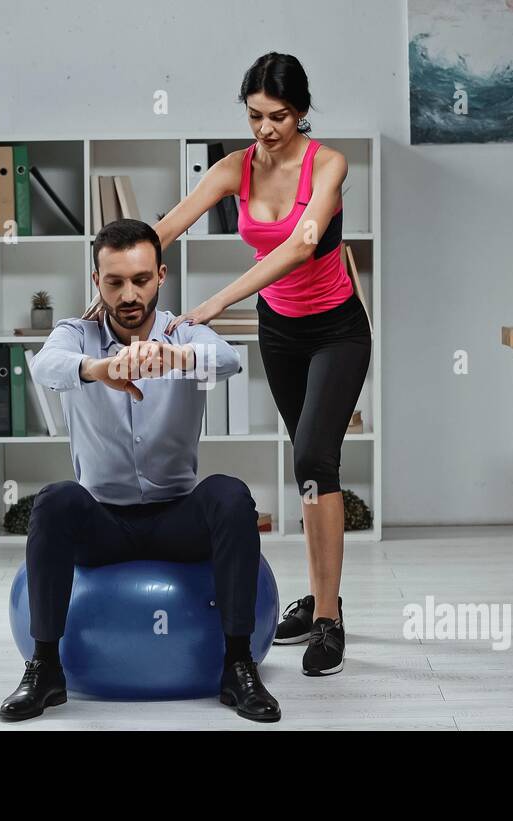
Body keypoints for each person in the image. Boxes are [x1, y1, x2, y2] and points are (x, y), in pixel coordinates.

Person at [0, 218, 281, 722]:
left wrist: (175, 357)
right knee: (56, 498)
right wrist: (97, 369)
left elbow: (227, 359)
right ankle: (45, 670)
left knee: (231, 495)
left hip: (178, 520)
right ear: (96, 282)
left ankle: (238, 667)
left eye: (141, 279)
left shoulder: (183, 333)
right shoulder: (75, 334)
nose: (130, 294)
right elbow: (45, 365)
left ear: (161, 275)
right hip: (102, 523)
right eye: (115, 282)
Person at [157, 52, 371, 676]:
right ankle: (319, 596)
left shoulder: (328, 164)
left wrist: (220, 300)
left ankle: (328, 621)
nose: (266, 129)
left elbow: (305, 244)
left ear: (302, 111)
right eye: (254, 116)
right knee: (306, 469)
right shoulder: (234, 169)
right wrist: (113, 270)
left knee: (314, 457)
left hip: (337, 330)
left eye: (279, 116)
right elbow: (168, 225)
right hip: (280, 334)